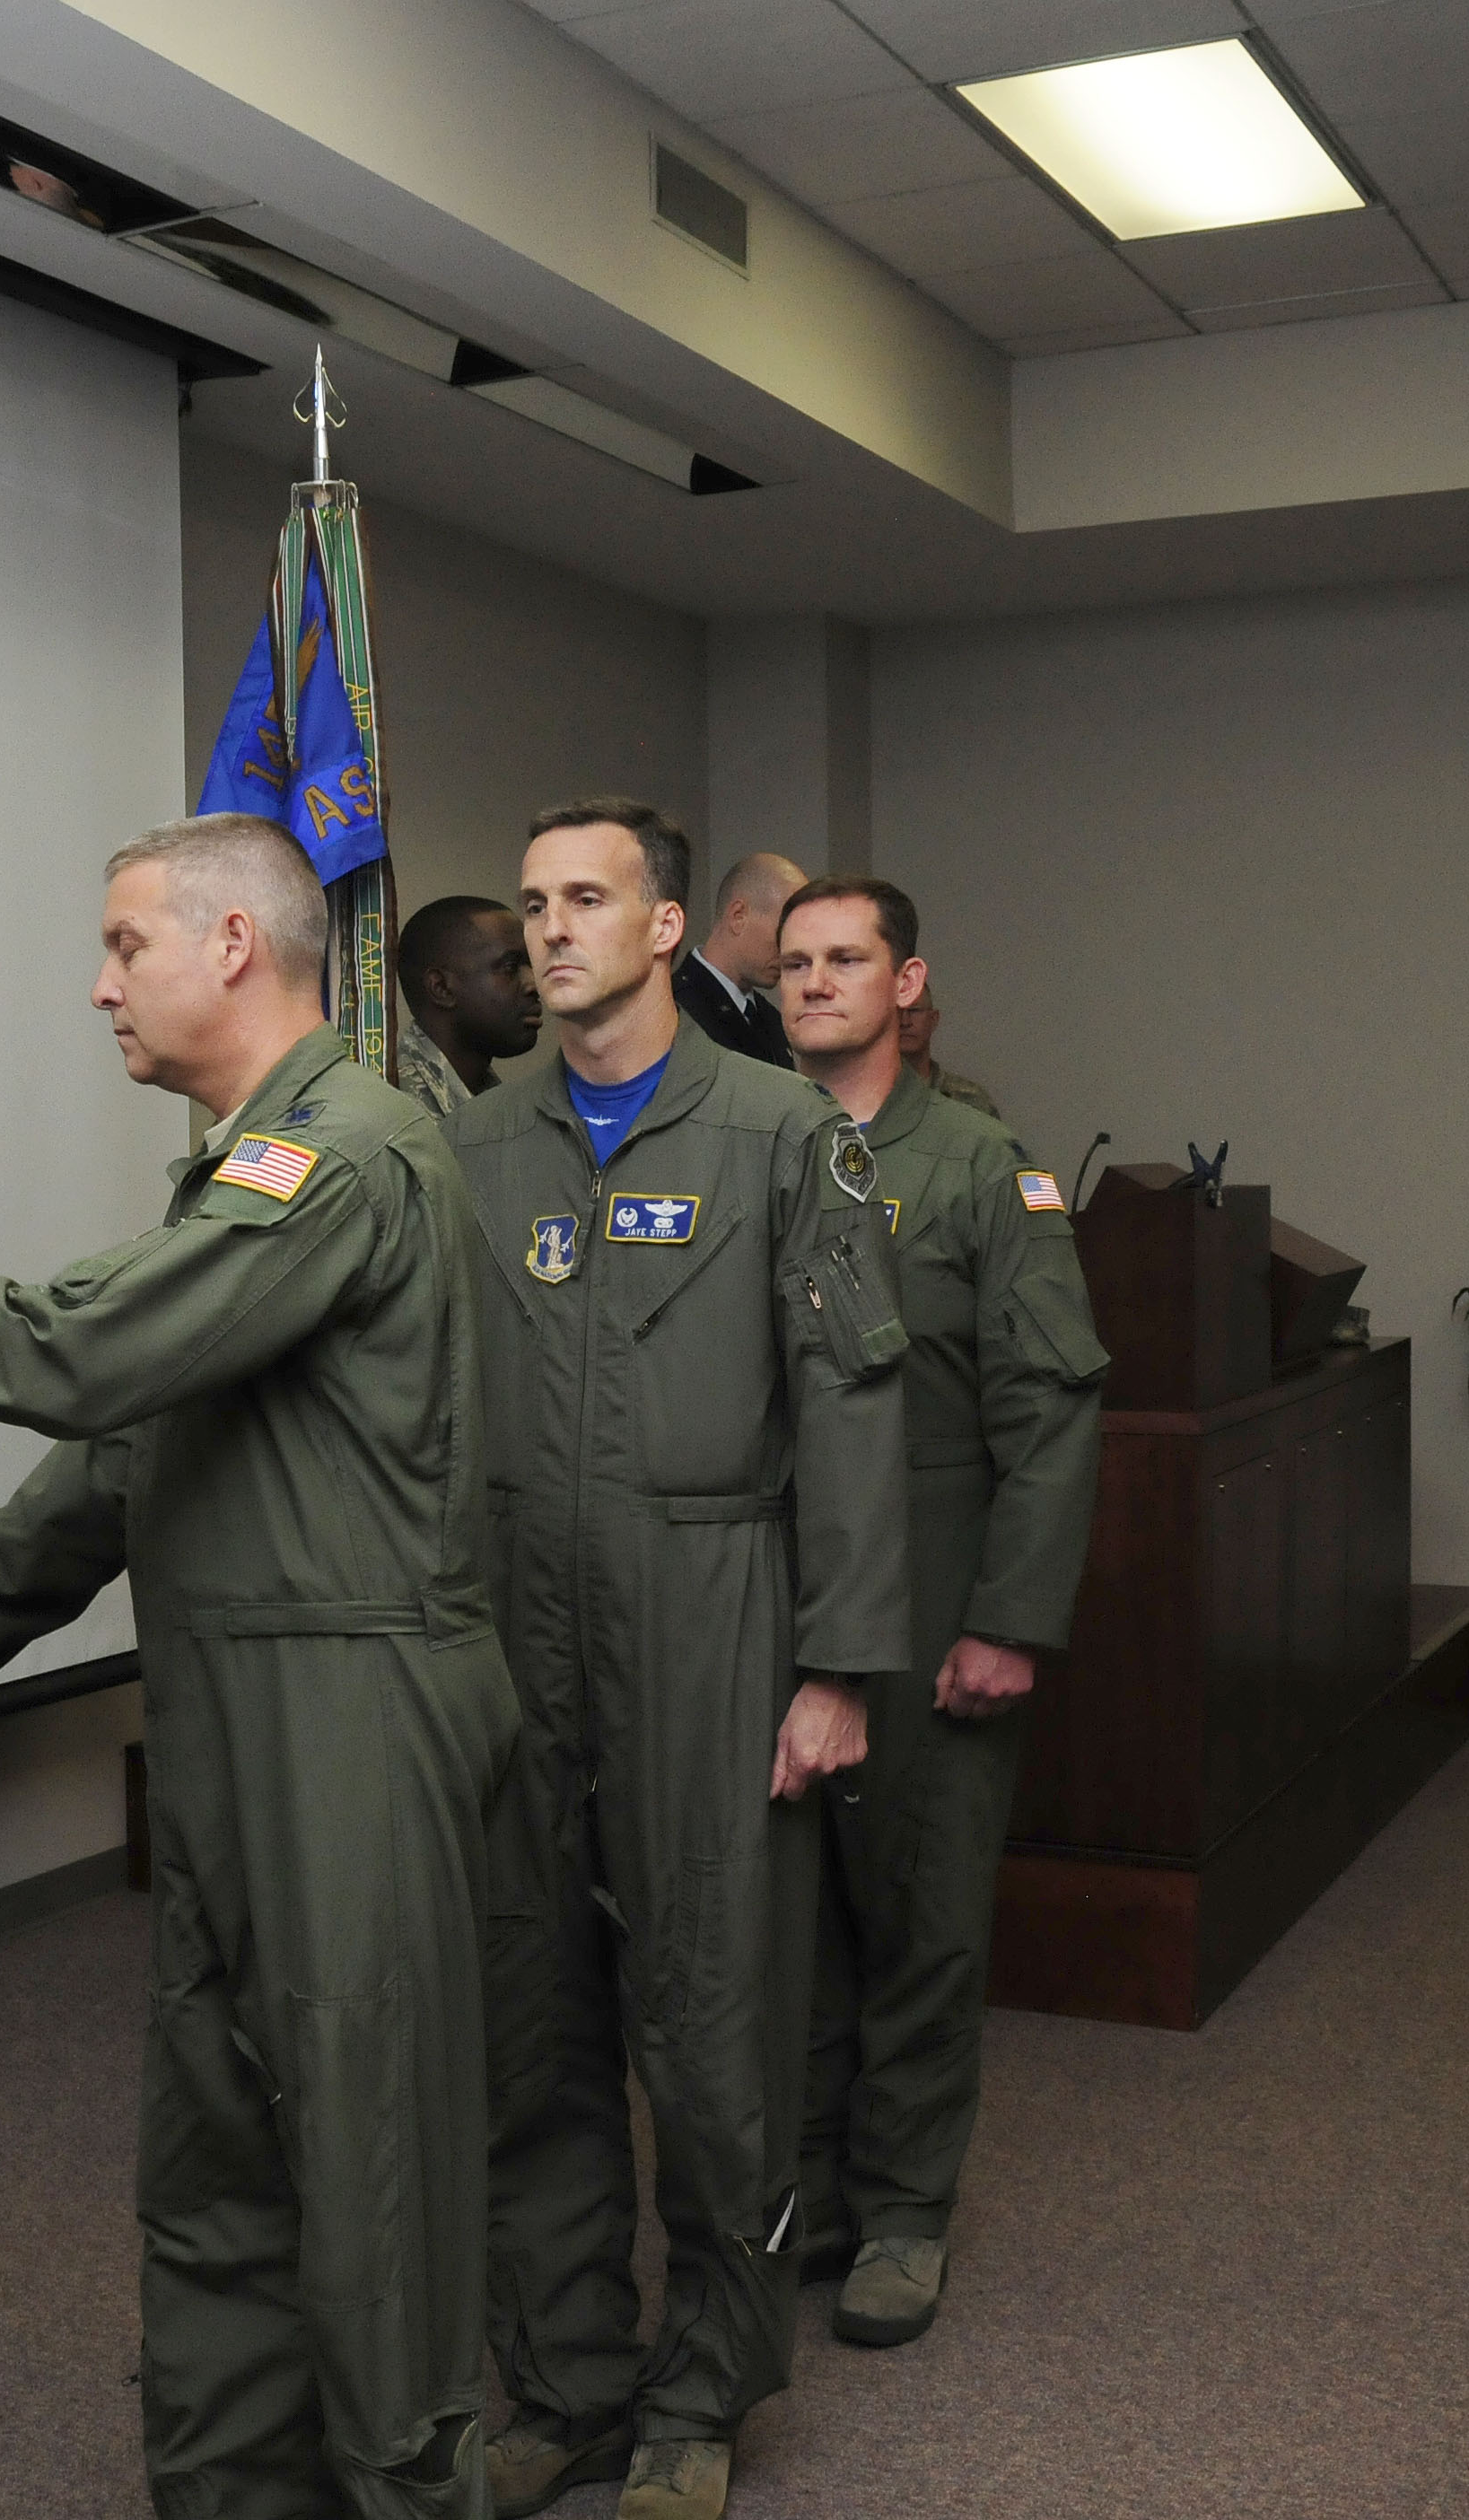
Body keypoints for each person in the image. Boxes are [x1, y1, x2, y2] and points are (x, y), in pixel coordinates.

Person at [0, 812, 516, 2520]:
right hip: (242, 1726)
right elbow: (126, 1469)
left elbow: (92, 1356)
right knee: (217, 2159)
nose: (99, 985)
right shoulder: (237, 1169)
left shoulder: (342, 1155)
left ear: (235, 944)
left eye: (124, 946)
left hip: (352, 1721)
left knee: (367, 2180)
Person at [450, 797, 910, 2520]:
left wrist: (840, 1664)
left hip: (716, 1620)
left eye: (589, 898)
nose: (553, 928)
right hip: (521, 1626)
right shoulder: (473, 1147)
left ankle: (702, 2388)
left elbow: (857, 1404)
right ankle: (564, 2378)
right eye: (533, 901)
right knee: (535, 2021)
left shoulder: (783, 1131)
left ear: (664, 930)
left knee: (714, 2031)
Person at [774, 877, 1106, 2350]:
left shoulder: (978, 1164)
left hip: (935, 1572)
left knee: (918, 1910)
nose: (815, 983)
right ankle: (812, 2187)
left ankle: (903, 2208)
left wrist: (1010, 1616)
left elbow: (1051, 1404)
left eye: (846, 959)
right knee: (795, 1915)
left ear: (906, 982)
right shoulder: (751, 1143)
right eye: (792, 962)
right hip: (775, 1585)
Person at [395, 890, 541, 1115]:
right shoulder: (392, 1111)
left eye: (530, 965)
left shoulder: (493, 1102)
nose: (534, 984)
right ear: (441, 988)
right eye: (510, 967)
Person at [670, 846, 804, 1067]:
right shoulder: (675, 1011)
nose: (791, 949)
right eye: (784, 930)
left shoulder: (769, 1018)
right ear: (738, 916)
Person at [894, 981, 1003, 1121]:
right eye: (897, 1011)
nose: (905, 1021)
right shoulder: (865, 1098)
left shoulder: (969, 1100)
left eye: (914, 1011)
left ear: (933, 1019)